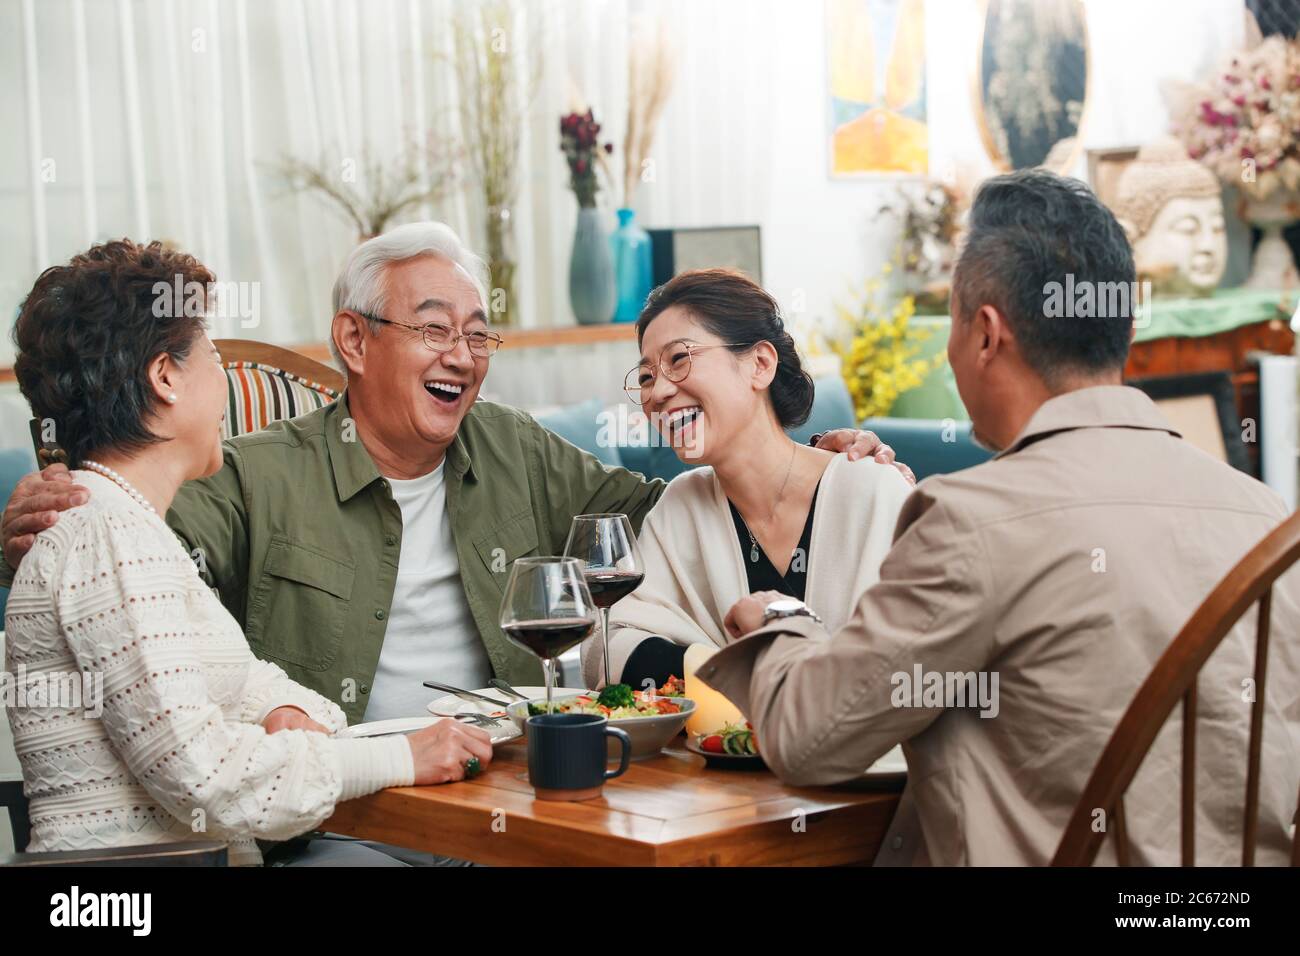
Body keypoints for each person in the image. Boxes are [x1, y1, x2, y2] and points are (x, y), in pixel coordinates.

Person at [0, 223, 911, 728]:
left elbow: (678, 513)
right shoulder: (256, 477)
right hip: (349, 805)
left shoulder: (518, 449)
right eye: (435, 329)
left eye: (480, 334)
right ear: (353, 341)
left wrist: (816, 457)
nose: (464, 356)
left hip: (518, 791)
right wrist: (57, 522)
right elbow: (137, 555)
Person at [697, 170, 1300, 866]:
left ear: (985, 334)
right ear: (1124, 328)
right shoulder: (1267, 520)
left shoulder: (974, 521)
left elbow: (811, 739)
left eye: (952, 325)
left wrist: (780, 623)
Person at [4, 239, 495, 865]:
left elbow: (236, 684)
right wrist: (400, 756)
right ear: (165, 377)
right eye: (210, 356)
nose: (226, 388)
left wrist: (281, 708)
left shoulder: (129, 528)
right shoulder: (108, 538)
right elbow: (203, 776)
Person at [582, 269, 912, 691]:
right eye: (646, 377)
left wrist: (727, 680)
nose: (658, 392)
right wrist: (732, 675)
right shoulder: (683, 505)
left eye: (679, 359)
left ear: (759, 364)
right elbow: (605, 650)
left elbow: (911, 670)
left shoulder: (873, 492)